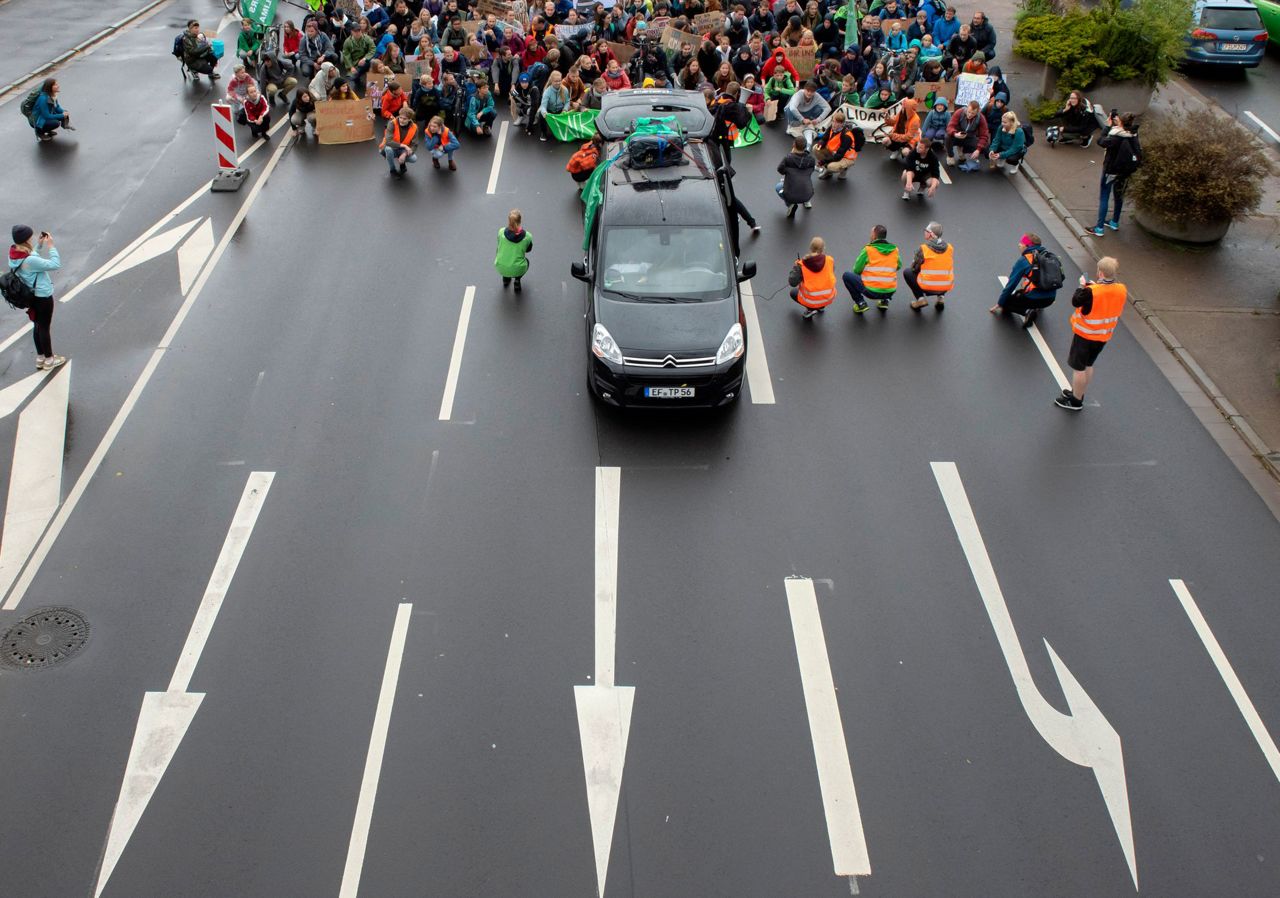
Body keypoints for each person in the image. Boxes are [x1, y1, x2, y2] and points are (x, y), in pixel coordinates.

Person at [1056, 256, 1126, 411]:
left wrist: (1082, 286)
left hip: (1085, 336)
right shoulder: (1121, 289)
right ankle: (1080, 393)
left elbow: (1076, 301)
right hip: (1103, 336)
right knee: (1088, 365)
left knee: (1078, 368)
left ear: (1100, 273)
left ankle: (1075, 401)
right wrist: (1094, 287)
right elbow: (1106, 296)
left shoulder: (1090, 292)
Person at [8, 226, 65, 370]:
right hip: (42, 296)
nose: (32, 238)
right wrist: (51, 246)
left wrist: (39, 246)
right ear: (26, 239)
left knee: (37, 326)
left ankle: (40, 358)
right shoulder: (30, 260)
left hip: (31, 296)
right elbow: (55, 264)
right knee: (44, 327)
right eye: (30, 236)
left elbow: (29, 258)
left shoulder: (14, 255)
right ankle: (50, 359)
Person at [990, 233, 1060, 327]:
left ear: (1028, 246)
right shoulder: (1049, 256)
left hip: (1033, 298)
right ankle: (1037, 306)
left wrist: (1000, 302)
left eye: (1021, 243)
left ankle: (1027, 311)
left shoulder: (1024, 260)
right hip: (1050, 299)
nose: (1019, 245)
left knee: (1007, 301)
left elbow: (1011, 284)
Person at [1093, 112, 1141, 237]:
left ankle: (1099, 228)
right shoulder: (1133, 135)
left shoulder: (1116, 137)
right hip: (1125, 172)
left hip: (1111, 170)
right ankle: (1114, 222)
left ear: (1120, 122)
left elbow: (1101, 141)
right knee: (1119, 196)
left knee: (1104, 196)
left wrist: (1107, 126)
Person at [842, 224, 900, 313]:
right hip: (890, 291)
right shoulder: (895, 250)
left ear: (874, 235)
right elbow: (898, 266)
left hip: (871, 292)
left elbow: (856, 270)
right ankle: (884, 301)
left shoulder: (868, 249)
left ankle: (861, 303)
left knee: (847, 276)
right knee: (887, 279)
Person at [903, 220, 953, 310]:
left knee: (908, 272)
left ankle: (920, 299)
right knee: (941, 270)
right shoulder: (949, 248)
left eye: (926, 231)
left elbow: (914, 268)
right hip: (946, 285)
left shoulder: (923, 248)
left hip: (928, 286)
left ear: (931, 234)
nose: (924, 232)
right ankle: (941, 298)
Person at [788, 236, 837, 319]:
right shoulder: (829, 260)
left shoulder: (801, 265)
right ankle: (821, 307)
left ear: (810, 248)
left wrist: (796, 268)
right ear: (823, 248)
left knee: (793, 293)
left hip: (812, 300)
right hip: (828, 298)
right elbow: (831, 271)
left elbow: (792, 282)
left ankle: (810, 309)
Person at [776, 136, 816, 219]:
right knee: (804, 179)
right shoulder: (811, 160)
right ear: (805, 147)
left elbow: (780, 170)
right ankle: (807, 202)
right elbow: (811, 171)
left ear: (794, 145)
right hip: (808, 193)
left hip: (791, 195)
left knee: (778, 187)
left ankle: (790, 205)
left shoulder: (788, 158)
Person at [784, 81, 831, 151]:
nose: (809, 93)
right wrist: (802, 119)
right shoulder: (799, 94)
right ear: (804, 89)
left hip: (806, 113)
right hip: (794, 113)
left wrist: (818, 119)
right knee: (789, 109)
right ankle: (792, 124)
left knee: (819, 108)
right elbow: (793, 108)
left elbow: (828, 108)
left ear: (815, 92)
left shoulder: (816, 96)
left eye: (812, 92)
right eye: (807, 91)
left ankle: (808, 123)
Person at [495, 209, 534, 293]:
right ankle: (517, 280)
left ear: (509, 221)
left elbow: (499, 245)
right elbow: (528, 250)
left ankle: (505, 279)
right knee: (527, 261)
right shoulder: (528, 236)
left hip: (500, 266)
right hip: (518, 269)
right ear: (520, 220)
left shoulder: (501, 232)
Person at [945, 99, 989, 171]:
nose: (970, 115)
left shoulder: (981, 118)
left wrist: (978, 149)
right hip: (957, 135)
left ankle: (962, 150)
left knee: (985, 147)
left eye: (973, 113)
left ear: (978, 112)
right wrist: (955, 133)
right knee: (948, 136)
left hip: (969, 137)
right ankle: (950, 156)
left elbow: (984, 135)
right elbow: (950, 126)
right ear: (967, 108)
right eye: (969, 112)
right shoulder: (959, 112)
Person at [813, 110, 858, 180]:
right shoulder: (832, 128)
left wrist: (823, 162)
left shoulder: (847, 136)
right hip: (835, 153)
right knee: (816, 148)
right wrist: (821, 143)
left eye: (837, 123)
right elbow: (824, 138)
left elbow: (838, 156)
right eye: (833, 121)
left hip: (846, 157)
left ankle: (844, 170)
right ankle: (828, 172)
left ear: (842, 124)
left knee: (831, 166)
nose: (834, 124)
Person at [380, 105, 419, 176]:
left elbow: (415, 144)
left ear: (409, 119)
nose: (401, 120)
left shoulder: (415, 127)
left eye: (404, 119)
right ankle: (392, 169)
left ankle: (402, 162)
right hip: (392, 147)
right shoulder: (392, 123)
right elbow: (388, 142)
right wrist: (404, 146)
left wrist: (404, 154)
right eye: (400, 117)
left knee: (414, 159)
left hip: (403, 150)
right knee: (388, 149)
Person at [537, 70, 571, 141]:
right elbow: (543, 106)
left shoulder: (565, 90)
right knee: (540, 114)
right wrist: (545, 113)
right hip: (550, 111)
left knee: (569, 112)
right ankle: (543, 132)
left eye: (559, 80)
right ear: (551, 81)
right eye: (556, 81)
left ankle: (564, 130)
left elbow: (567, 101)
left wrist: (565, 110)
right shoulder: (547, 92)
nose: (558, 83)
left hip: (560, 111)